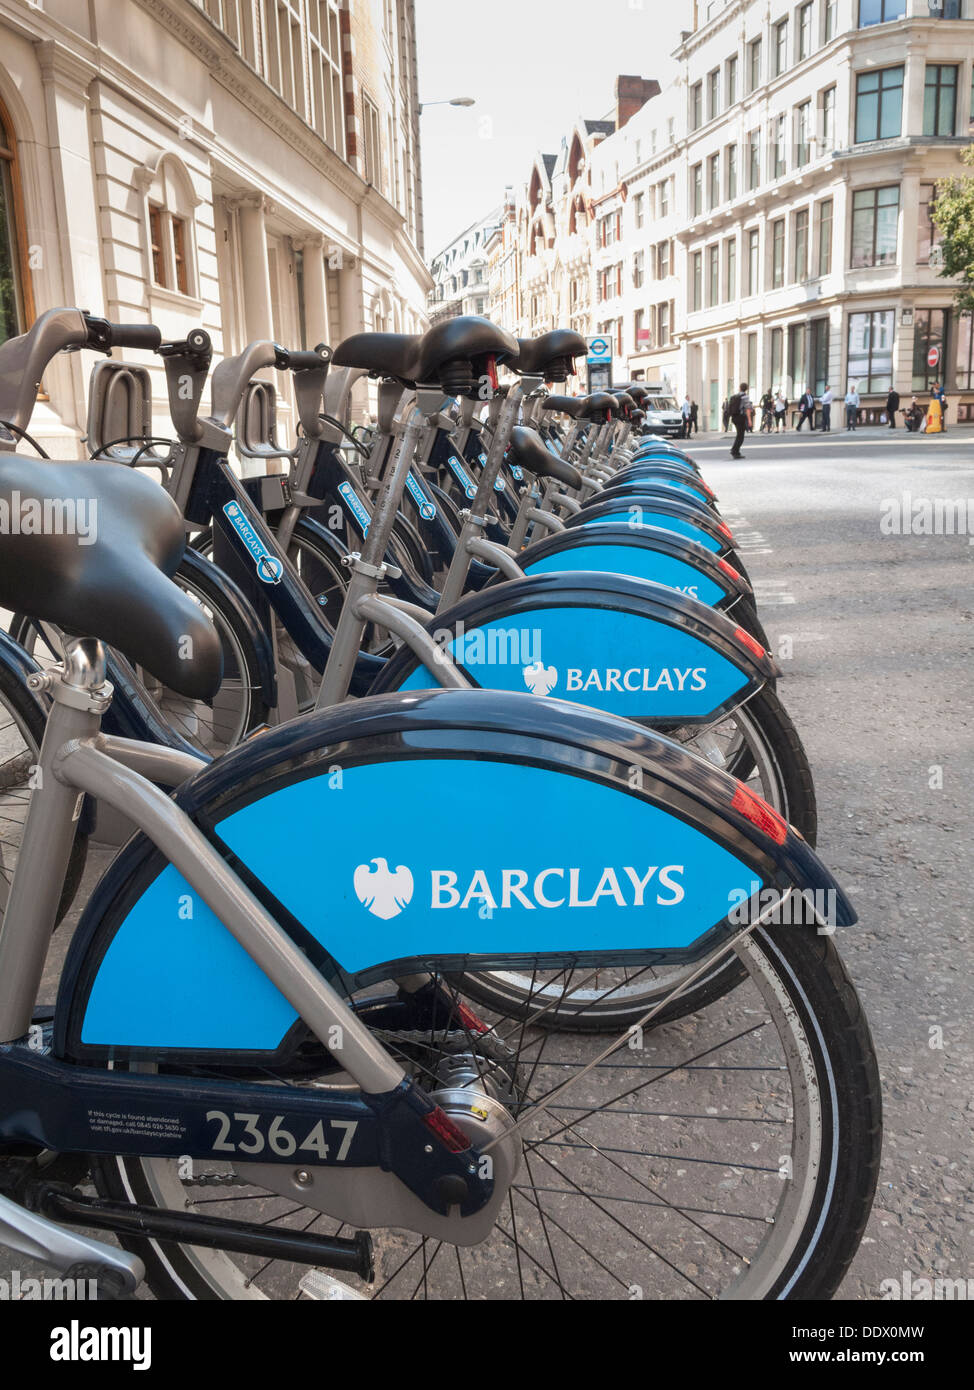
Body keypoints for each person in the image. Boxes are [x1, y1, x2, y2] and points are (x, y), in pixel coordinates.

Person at [729, 382, 751, 459]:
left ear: (740, 388)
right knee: (740, 436)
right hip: (741, 418)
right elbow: (748, 409)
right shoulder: (745, 397)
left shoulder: (735, 396)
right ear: (746, 389)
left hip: (734, 418)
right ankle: (734, 450)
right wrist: (749, 420)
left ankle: (736, 451)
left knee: (739, 435)